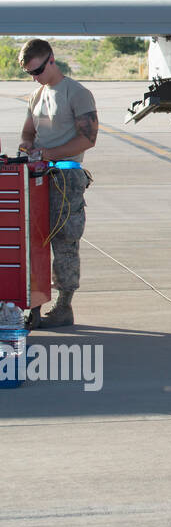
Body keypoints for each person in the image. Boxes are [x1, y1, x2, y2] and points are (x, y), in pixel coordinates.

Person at [17, 39, 96, 330]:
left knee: (65, 242)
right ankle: (34, 304)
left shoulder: (77, 94)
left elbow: (88, 138)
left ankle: (64, 307)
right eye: (29, 73)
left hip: (65, 178)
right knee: (32, 242)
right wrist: (28, 147)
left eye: (37, 70)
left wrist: (48, 154)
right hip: (36, 178)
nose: (34, 76)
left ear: (51, 60)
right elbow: (27, 133)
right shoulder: (36, 95)